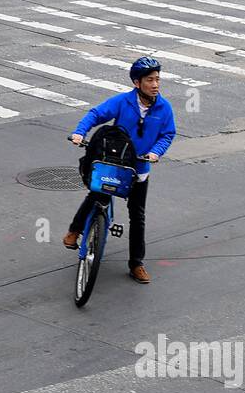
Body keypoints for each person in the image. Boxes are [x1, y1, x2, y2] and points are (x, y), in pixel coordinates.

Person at [64, 57, 175, 285]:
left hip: (140, 168)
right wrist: (79, 132)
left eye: (157, 80)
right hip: (114, 164)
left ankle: (136, 264)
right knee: (96, 194)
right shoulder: (123, 102)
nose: (155, 85)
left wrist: (156, 152)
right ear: (137, 83)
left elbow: (168, 134)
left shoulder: (164, 108)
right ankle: (74, 231)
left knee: (138, 216)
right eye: (150, 80)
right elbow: (96, 114)